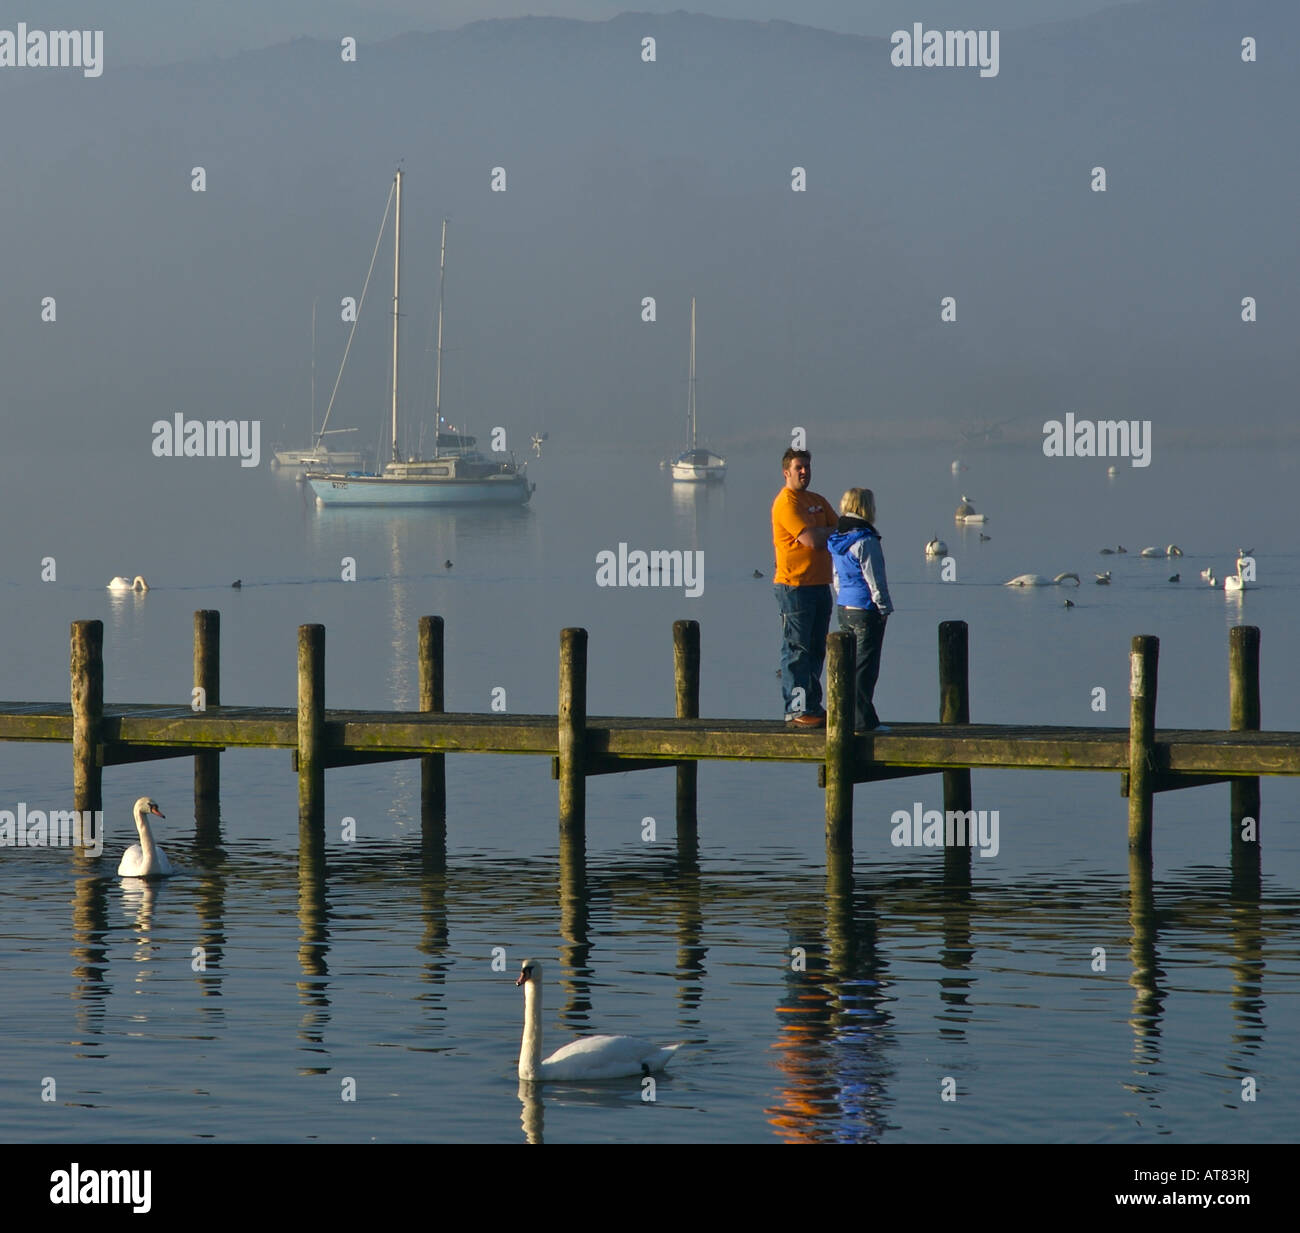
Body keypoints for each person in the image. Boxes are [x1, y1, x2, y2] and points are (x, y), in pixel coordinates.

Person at [771, 448, 838, 727]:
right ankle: (796, 709)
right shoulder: (786, 503)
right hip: (795, 587)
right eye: (799, 467)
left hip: (821, 585)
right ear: (786, 471)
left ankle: (813, 705)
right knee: (797, 651)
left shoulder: (817, 500)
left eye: (807, 467)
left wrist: (825, 533)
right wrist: (825, 533)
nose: (804, 472)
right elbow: (812, 540)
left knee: (816, 649)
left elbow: (841, 529)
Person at [826, 488, 893, 731]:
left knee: (849, 664)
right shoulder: (866, 540)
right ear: (866, 508)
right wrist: (884, 608)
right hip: (866, 609)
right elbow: (875, 579)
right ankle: (863, 721)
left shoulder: (837, 540)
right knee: (865, 667)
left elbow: (836, 577)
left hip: (845, 606)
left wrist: (842, 599)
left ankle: (847, 716)